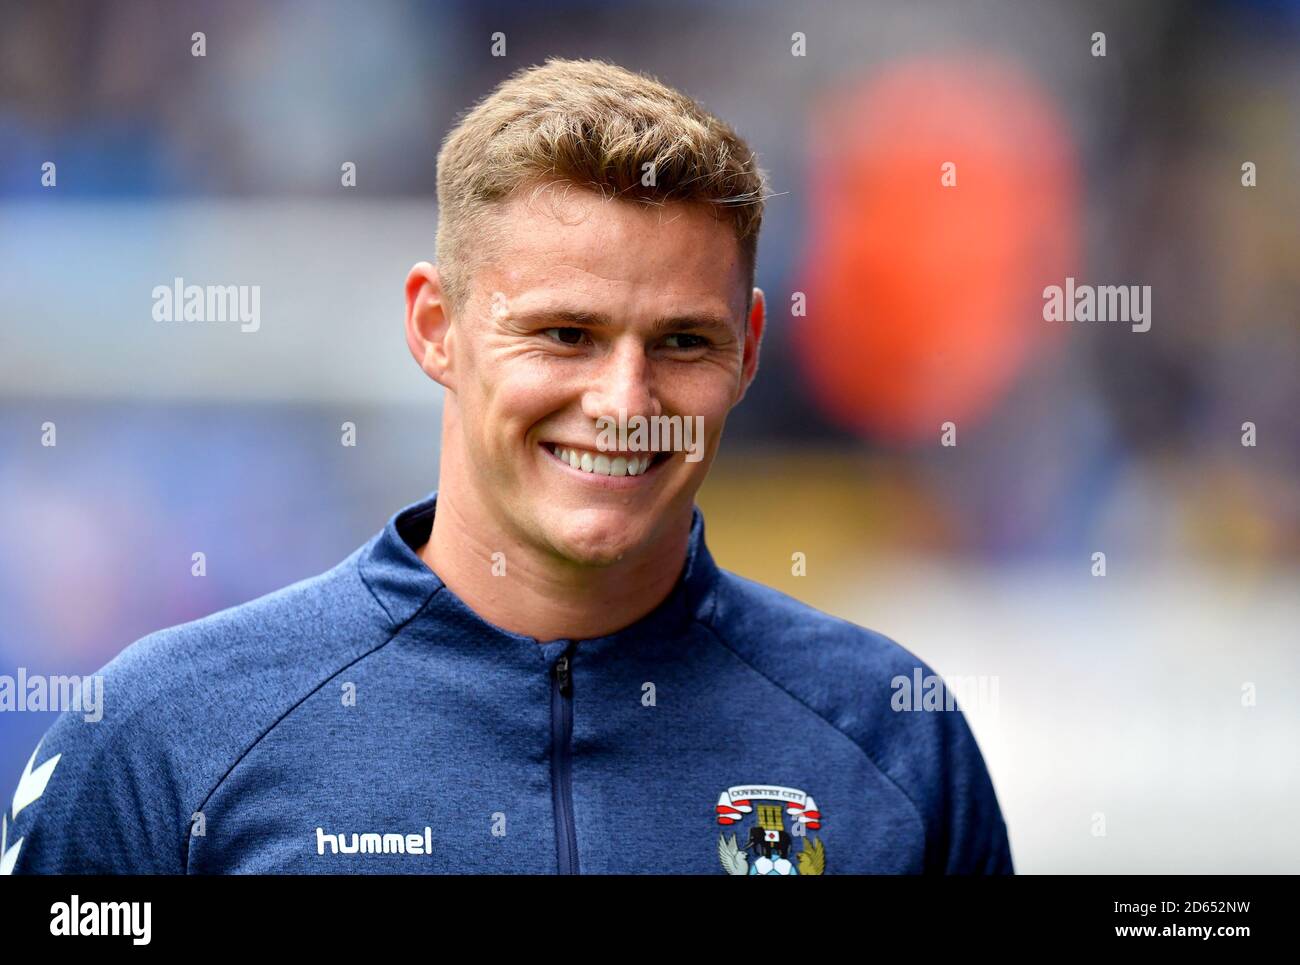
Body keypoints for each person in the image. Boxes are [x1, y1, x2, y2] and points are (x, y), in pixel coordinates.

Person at [3, 58, 1012, 875]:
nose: (625, 403)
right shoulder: (168, 734)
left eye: (682, 344)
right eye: (566, 333)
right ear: (434, 327)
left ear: (749, 348)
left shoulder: (887, 736)